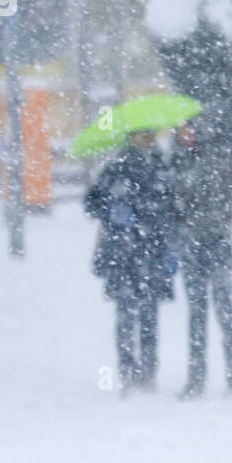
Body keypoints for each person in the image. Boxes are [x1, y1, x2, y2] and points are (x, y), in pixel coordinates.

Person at [84, 130, 175, 393]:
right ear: (129, 139)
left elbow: (173, 209)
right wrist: (110, 210)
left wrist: (171, 247)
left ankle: (148, 372)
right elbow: (91, 203)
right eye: (137, 136)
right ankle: (126, 369)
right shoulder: (114, 168)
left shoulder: (162, 168)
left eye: (146, 136)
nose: (142, 141)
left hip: (153, 253)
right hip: (121, 255)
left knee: (149, 317)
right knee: (125, 315)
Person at [171, 122, 232, 399]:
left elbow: (217, 201)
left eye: (189, 130)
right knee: (196, 313)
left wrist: (186, 203)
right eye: (180, 132)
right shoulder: (176, 163)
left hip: (216, 244)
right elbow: (174, 202)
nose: (185, 136)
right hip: (192, 247)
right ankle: (196, 378)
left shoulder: (213, 161)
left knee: (224, 309)